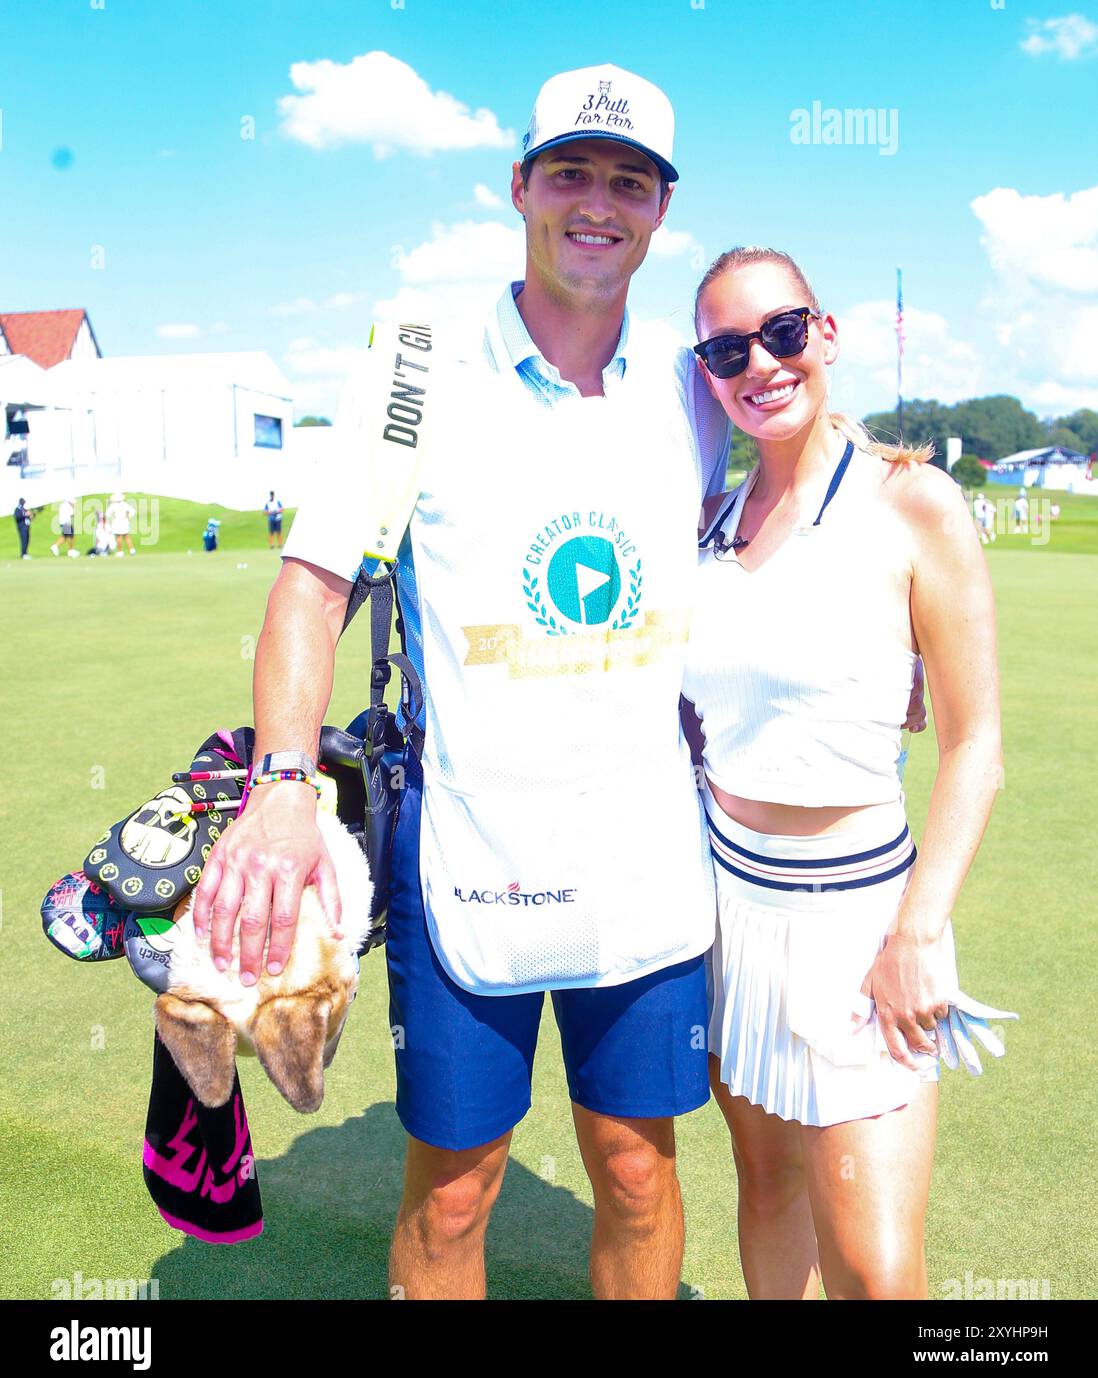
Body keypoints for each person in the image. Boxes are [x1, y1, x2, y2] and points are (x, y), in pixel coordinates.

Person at [191, 69, 924, 1301]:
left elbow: (779, 512)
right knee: (460, 1178)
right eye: (572, 172)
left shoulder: (694, 385)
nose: (599, 202)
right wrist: (279, 785)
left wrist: (865, 653)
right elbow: (315, 587)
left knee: (638, 1166)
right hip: (468, 842)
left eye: (628, 180)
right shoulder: (416, 366)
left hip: (647, 850)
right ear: (521, 184)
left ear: (659, 208)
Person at [681, 246, 1008, 1300]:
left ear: (826, 333)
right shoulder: (708, 524)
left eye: (781, 332)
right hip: (731, 907)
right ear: (707, 371)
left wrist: (917, 933)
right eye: (728, 348)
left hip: (864, 918)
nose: (760, 364)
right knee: (768, 1194)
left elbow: (975, 744)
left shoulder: (913, 503)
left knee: (874, 1265)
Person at [107, 491, 137, 555]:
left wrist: (112, 518)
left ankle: (120, 552)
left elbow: (107, 514)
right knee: (126, 536)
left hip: (117, 521)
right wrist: (128, 517)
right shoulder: (124, 504)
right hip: (124, 521)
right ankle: (132, 550)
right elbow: (133, 511)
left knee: (119, 537)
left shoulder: (113, 505)